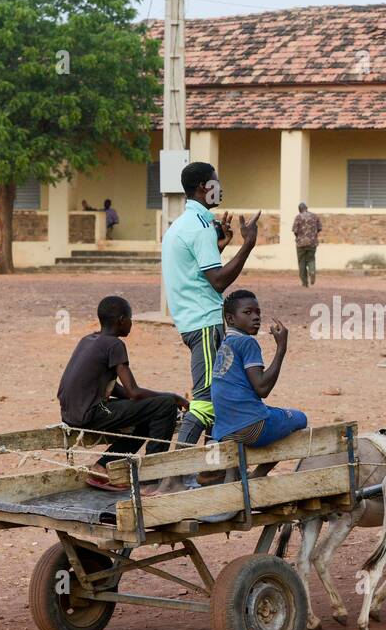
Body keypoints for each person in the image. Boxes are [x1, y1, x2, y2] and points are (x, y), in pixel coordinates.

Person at [160, 161, 260, 454]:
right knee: (205, 401)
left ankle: (208, 470)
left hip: (192, 320)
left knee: (216, 398)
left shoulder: (183, 224)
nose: (221, 188)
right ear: (205, 187)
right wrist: (247, 245)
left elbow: (194, 271)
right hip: (204, 323)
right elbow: (217, 282)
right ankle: (175, 474)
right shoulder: (202, 226)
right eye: (217, 182)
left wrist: (220, 248)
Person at [57, 295, 188, 490]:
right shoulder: (115, 345)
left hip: (71, 412)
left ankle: (102, 467)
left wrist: (155, 399)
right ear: (121, 321)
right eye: (130, 319)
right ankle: (152, 478)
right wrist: (172, 397)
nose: (131, 324)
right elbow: (133, 392)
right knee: (166, 406)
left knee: (148, 414)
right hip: (90, 413)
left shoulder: (88, 340)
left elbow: (116, 388)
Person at [211, 289, 307, 448]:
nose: (256, 317)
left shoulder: (227, 343)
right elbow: (262, 389)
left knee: (274, 413)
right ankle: (259, 473)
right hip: (250, 428)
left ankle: (233, 473)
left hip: (223, 431)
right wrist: (281, 348)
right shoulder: (247, 343)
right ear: (230, 319)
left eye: (258, 313)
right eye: (248, 312)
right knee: (300, 419)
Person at [292, 202, 322, 287]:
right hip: (312, 243)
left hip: (300, 244)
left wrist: (299, 237)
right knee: (311, 259)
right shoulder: (314, 216)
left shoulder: (298, 217)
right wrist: (313, 235)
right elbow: (319, 228)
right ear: (306, 208)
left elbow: (295, 231)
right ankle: (312, 272)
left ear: (299, 209)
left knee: (302, 262)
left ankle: (305, 283)